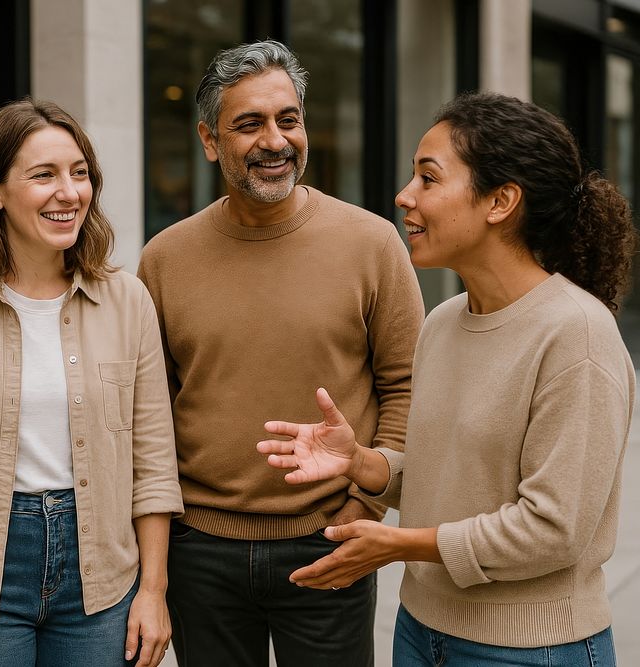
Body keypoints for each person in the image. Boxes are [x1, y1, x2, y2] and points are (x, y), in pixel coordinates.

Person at [258, 92, 637, 665]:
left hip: (532, 650)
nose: (404, 196)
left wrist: (400, 545)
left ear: (501, 201)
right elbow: (454, 478)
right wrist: (360, 461)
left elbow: (554, 530)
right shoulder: (443, 323)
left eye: (428, 179)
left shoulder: (576, 334)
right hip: (421, 632)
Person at [136, 40, 424, 667]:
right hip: (201, 553)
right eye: (249, 124)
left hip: (329, 539)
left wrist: (364, 508)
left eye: (288, 119)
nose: (275, 140)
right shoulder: (164, 258)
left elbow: (407, 385)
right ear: (210, 141)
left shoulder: (373, 244)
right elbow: (149, 411)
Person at [0, 98, 182, 667]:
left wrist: (153, 590)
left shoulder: (128, 301)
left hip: (102, 569)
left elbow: (153, 462)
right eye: (43, 175)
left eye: (79, 173)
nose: (68, 192)